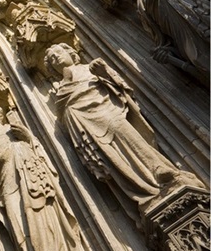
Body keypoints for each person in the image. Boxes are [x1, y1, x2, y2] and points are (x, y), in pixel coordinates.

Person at [44, 43, 203, 211]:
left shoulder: (88, 69)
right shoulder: (60, 90)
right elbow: (63, 113)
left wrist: (104, 73)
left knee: (125, 133)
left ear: (71, 53)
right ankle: (143, 190)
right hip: (84, 124)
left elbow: (121, 87)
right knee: (112, 157)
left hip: (107, 110)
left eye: (59, 52)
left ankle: (160, 170)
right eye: (52, 58)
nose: (57, 57)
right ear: (52, 68)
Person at [0, 102, 83, 251]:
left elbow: (37, 150)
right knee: (17, 221)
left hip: (28, 178)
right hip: (7, 186)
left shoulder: (13, 129)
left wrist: (27, 139)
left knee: (38, 211)